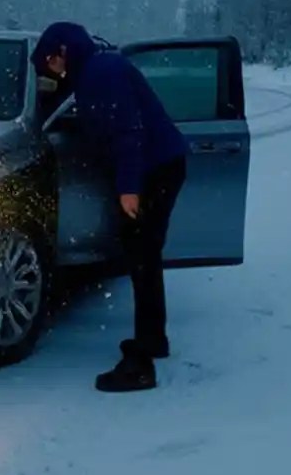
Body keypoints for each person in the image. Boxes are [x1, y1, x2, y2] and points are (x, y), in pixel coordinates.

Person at [30, 22, 189, 393]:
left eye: (50, 61)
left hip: (154, 171)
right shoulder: (95, 70)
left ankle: (141, 366)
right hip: (159, 166)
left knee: (143, 257)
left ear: (63, 52)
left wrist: (130, 189)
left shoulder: (102, 74)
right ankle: (152, 340)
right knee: (143, 256)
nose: (49, 70)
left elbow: (128, 131)